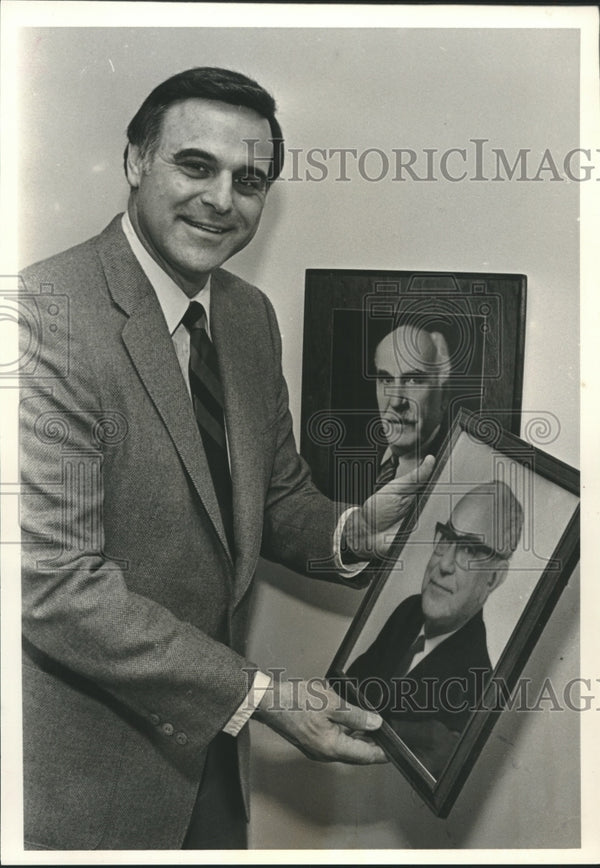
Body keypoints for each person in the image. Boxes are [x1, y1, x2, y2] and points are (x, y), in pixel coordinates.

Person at [18, 67, 432, 850]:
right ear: (135, 160)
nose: (221, 200)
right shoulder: (43, 319)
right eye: (195, 165)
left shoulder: (247, 315)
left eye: (249, 181)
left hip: (212, 760)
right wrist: (262, 696)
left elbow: (273, 497)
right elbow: (56, 587)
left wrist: (353, 533)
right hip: (85, 788)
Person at [347, 480, 523, 776]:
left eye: (469, 550)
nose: (444, 565)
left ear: (493, 578)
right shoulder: (409, 612)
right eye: (447, 537)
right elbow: (351, 685)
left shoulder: (477, 688)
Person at [373, 321, 451, 487]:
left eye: (414, 380)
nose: (396, 402)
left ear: (444, 395)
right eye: (386, 380)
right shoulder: (356, 458)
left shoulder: (458, 472)